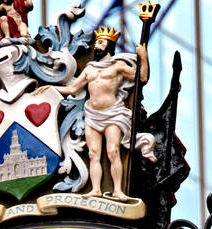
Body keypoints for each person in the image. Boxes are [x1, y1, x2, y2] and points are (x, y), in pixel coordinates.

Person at [52, 26, 154, 199]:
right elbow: (72, 89)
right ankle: (96, 190)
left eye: (101, 43)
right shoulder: (90, 69)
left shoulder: (118, 66)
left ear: (109, 45)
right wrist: (49, 88)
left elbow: (141, 78)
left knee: (113, 151)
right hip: (92, 114)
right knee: (93, 153)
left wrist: (143, 57)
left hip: (113, 114)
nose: (97, 46)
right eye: (96, 43)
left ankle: (118, 191)